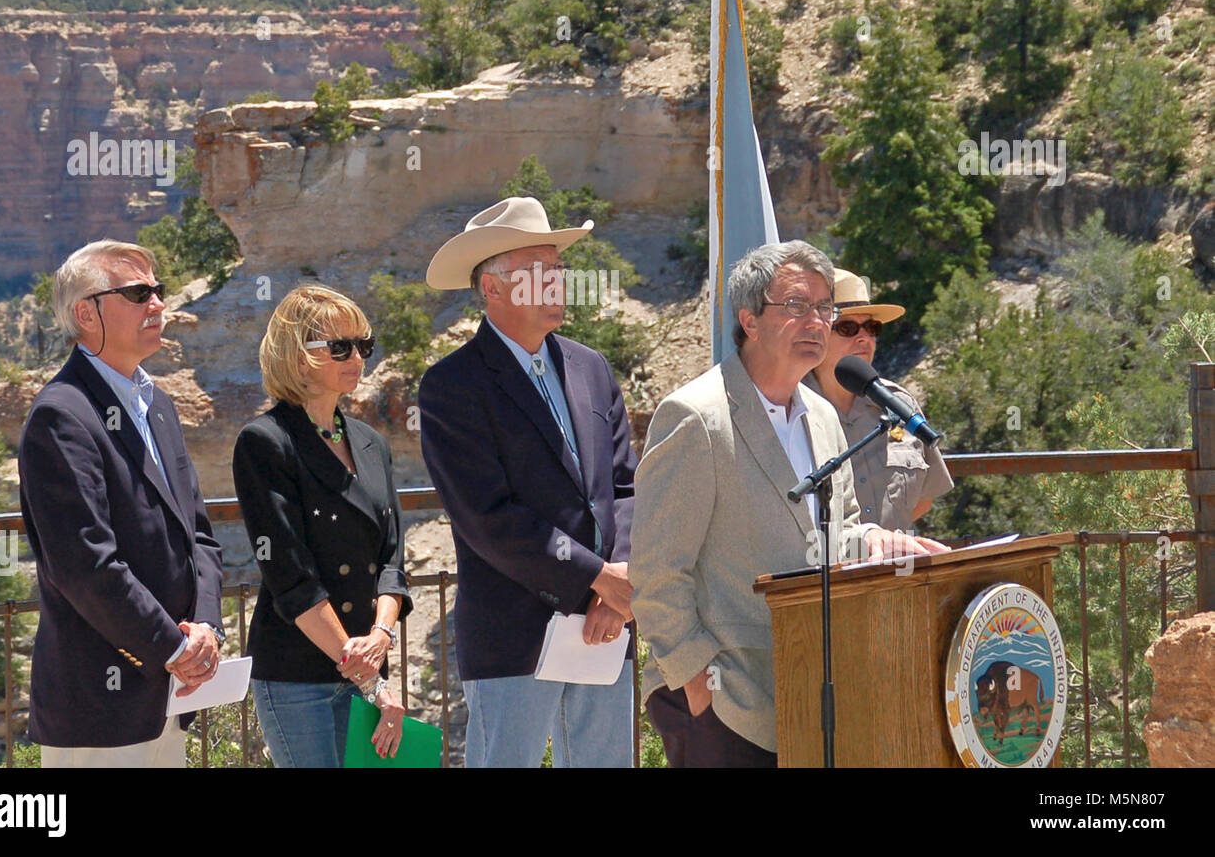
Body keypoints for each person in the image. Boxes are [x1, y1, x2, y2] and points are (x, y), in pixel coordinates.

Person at [630, 241, 948, 767]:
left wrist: (879, 540)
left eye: (825, 308)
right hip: (724, 697)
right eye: (797, 306)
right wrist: (696, 680)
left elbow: (838, 530)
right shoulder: (696, 417)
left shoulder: (822, 417)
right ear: (749, 320)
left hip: (809, 685)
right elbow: (657, 569)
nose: (817, 321)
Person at [418, 196, 638, 768]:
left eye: (559, 270)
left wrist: (619, 587)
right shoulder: (452, 386)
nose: (559, 282)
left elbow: (624, 489)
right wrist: (599, 581)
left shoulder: (592, 367)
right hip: (514, 637)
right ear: (492, 289)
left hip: (607, 629)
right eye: (541, 271)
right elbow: (488, 517)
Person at [19, 240, 225, 767]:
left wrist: (204, 629)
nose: (158, 303)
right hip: (99, 712)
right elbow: (86, 566)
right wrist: (176, 651)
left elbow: (198, 536)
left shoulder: (158, 405)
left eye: (158, 290)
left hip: (171, 698)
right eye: (137, 293)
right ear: (86, 313)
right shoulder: (61, 415)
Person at [232, 285, 410, 767]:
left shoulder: (372, 442)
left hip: (369, 661)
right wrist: (367, 676)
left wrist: (381, 638)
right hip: (298, 676)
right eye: (339, 347)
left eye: (363, 346)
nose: (357, 357)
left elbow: (392, 559)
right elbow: (289, 575)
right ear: (297, 355)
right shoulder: (264, 442)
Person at [806, 269, 953, 532]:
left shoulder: (897, 401)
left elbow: (924, 499)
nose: (864, 337)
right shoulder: (791, 408)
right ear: (817, 333)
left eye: (872, 327)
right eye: (847, 327)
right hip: (825, 569)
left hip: (896, 566)